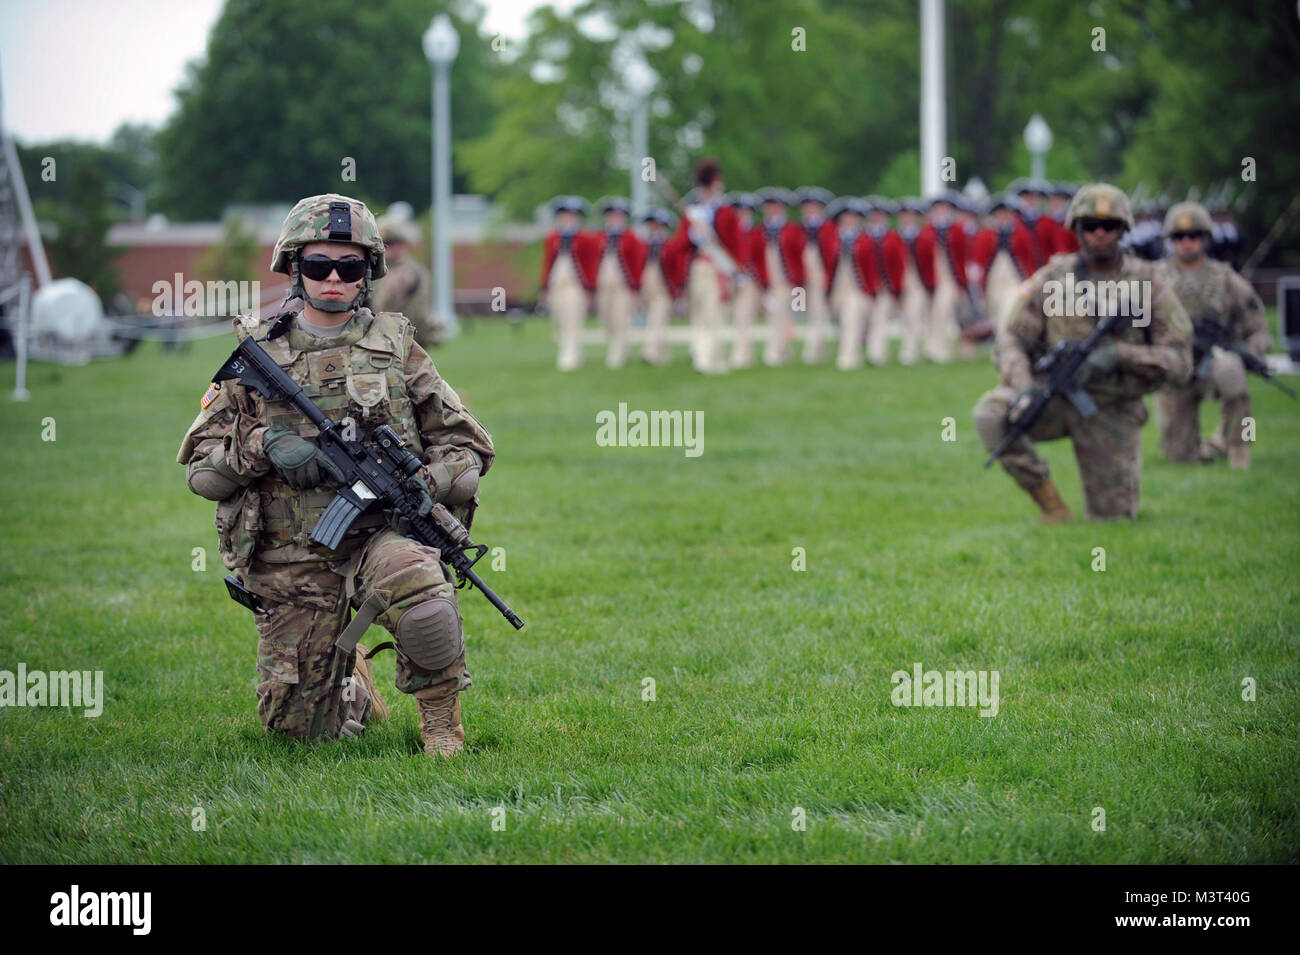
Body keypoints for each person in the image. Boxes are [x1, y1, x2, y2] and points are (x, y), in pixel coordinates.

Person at [177, 194, 496, 757]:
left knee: (423, 595)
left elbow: (468, 448)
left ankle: (442, 728)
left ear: (367, 274)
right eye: (317, 265)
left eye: (348, 268)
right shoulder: (257, 356)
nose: (332, 279)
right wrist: (262, 446)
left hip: (382, 534)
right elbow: (202, 472)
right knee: (297, 733)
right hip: (291, 555)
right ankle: (348, 682)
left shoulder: (396, 345)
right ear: (294, 270)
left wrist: (431, 480)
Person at [972, 183, 1192, 522]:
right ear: (1076, 228)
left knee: (1112, 519)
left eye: (1110, 226)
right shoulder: (1052, 279)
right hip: (1053, 397)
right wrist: (1024, 385)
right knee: (991, 416)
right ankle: (1053, 507)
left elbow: (1180, 361)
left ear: (1124, 230)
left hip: (1111, 407)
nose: (1100, 234)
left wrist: (1120, 355)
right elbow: (1011, 339)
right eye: (1090, 226)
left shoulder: (1148, 284)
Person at [1153, 201, 1271, 469]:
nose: (1187, 242)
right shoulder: (1155, 278)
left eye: (1194, 236)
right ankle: (1215, 445)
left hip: (1215, 360)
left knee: (1232, 373)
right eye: (1179, 237)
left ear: (1205, 238)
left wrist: (1248, 351)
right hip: (1175, 369)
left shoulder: (1226, 278)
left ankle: (1239, 447)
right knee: (1179, 456)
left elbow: (1258, 327)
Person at [661, 157, 742, 374]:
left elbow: (735, 244)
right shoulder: (692, 215)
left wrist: (737, 270)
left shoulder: (726, 214)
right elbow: (678, 246)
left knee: (715, 315)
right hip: (699, 268)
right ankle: (703, 358)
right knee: (701, 315)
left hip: (719, 268)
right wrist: (692, 234)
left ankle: (713, 358)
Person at [539, 196, 597, 371]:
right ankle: (575, 353)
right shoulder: (552, 238)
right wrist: (544, 287)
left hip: (576, 286)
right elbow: (547, 263)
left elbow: (590, 263)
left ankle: (568, 357)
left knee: (573, 319)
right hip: (557, 286)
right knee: (560, 319)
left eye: (573, 215)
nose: (569, 218)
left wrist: (591, 288)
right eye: (566, 215)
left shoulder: (586, 238)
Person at [822, 197, 878, 370]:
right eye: (846, 218)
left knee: (852, 318)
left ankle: (848, 358)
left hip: (858, 290)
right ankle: (853, 352)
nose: (850, 221)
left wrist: (871, 292)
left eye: (854, 218)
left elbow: (872, 268)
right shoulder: (832, 240)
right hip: (838, 290)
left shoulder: (866, 241)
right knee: (841, 323)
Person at [372, 212, 442, 348]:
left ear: (402, 244)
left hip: (398, 344)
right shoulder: (384, 270)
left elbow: (381, 308)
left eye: (388, 243)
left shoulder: (405, 273)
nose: (382, 248)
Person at [752, 187, 804, 366]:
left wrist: (798, 282)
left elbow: (799, 256)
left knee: (783, 315)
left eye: (776, 206)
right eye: (770, 206)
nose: (773, 210)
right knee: (775, 315)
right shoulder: (759, 231)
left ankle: (776, 351)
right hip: (766, 281)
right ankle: (779, 351)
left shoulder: (793, 230)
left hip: (787, 281)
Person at [862, 197, 904, 366]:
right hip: (865, 288)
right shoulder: (862, 239)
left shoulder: (893, 238)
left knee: (880, 317)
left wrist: (897, 290)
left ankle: (876, 354)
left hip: (887, 288)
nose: (876, 219)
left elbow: (899, 265)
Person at [796, 186, 835, 363]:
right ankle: (816, 348)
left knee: (819, 310)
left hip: (820, 273)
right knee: (801, 309)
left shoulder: (828, 228)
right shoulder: (797, 229)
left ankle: (813, 350)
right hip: (799, 276)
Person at [638, 207, 677, 366]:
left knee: (658, 317)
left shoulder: (670, 246)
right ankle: (661, 351)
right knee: (654, 318)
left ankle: (651, 351)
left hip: (664, 287)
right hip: (648, 286)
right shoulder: (644, 245)